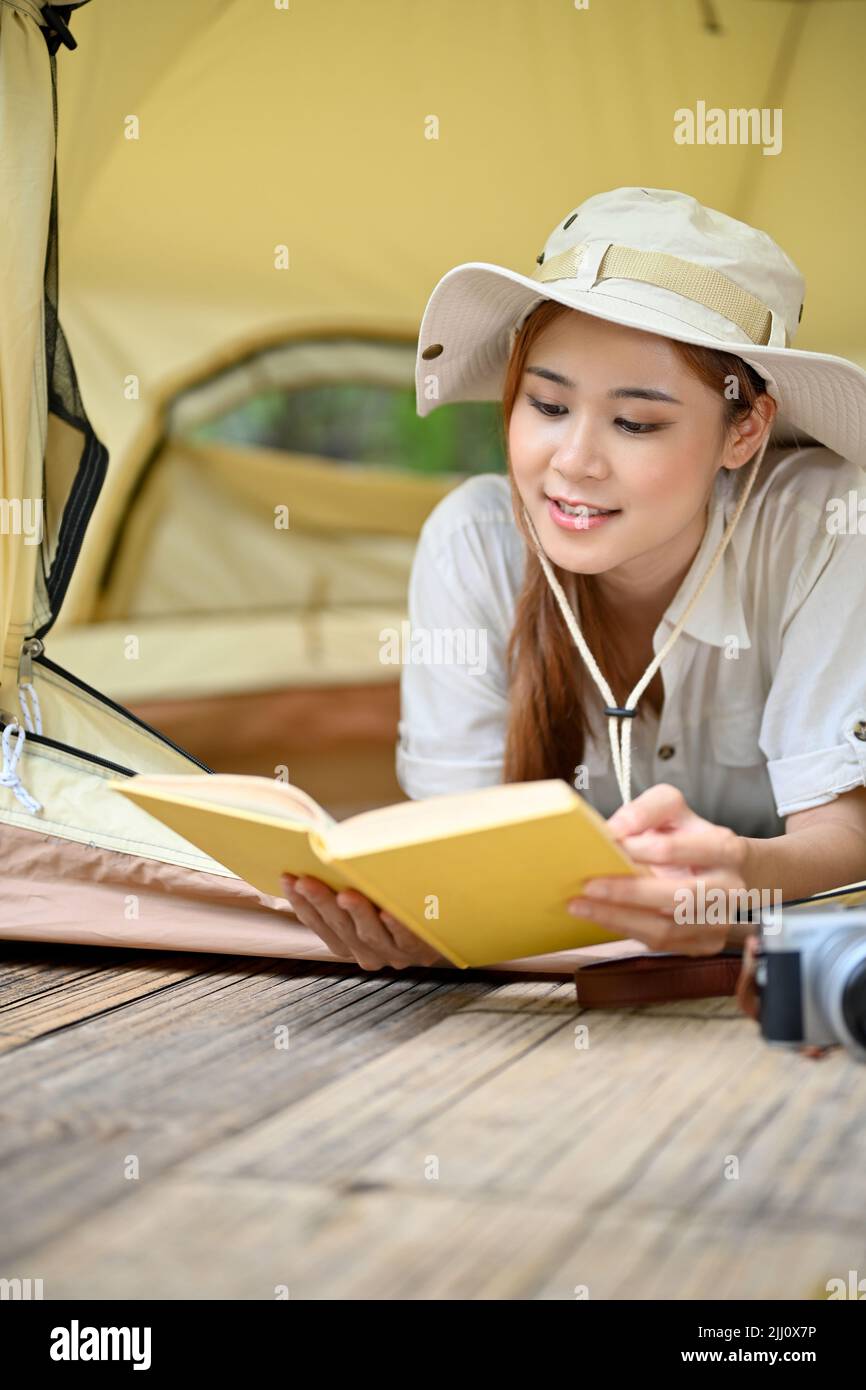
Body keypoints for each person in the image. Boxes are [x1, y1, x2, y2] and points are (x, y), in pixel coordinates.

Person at [284, 186, 866, 972]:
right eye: (548, 405)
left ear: (745, 428)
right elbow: (456, 851)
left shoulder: (826, 528)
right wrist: (426, 915)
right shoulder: (473, 542)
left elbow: (845, 837)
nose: (574, 462)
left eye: (636, 423)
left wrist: (743, 878)